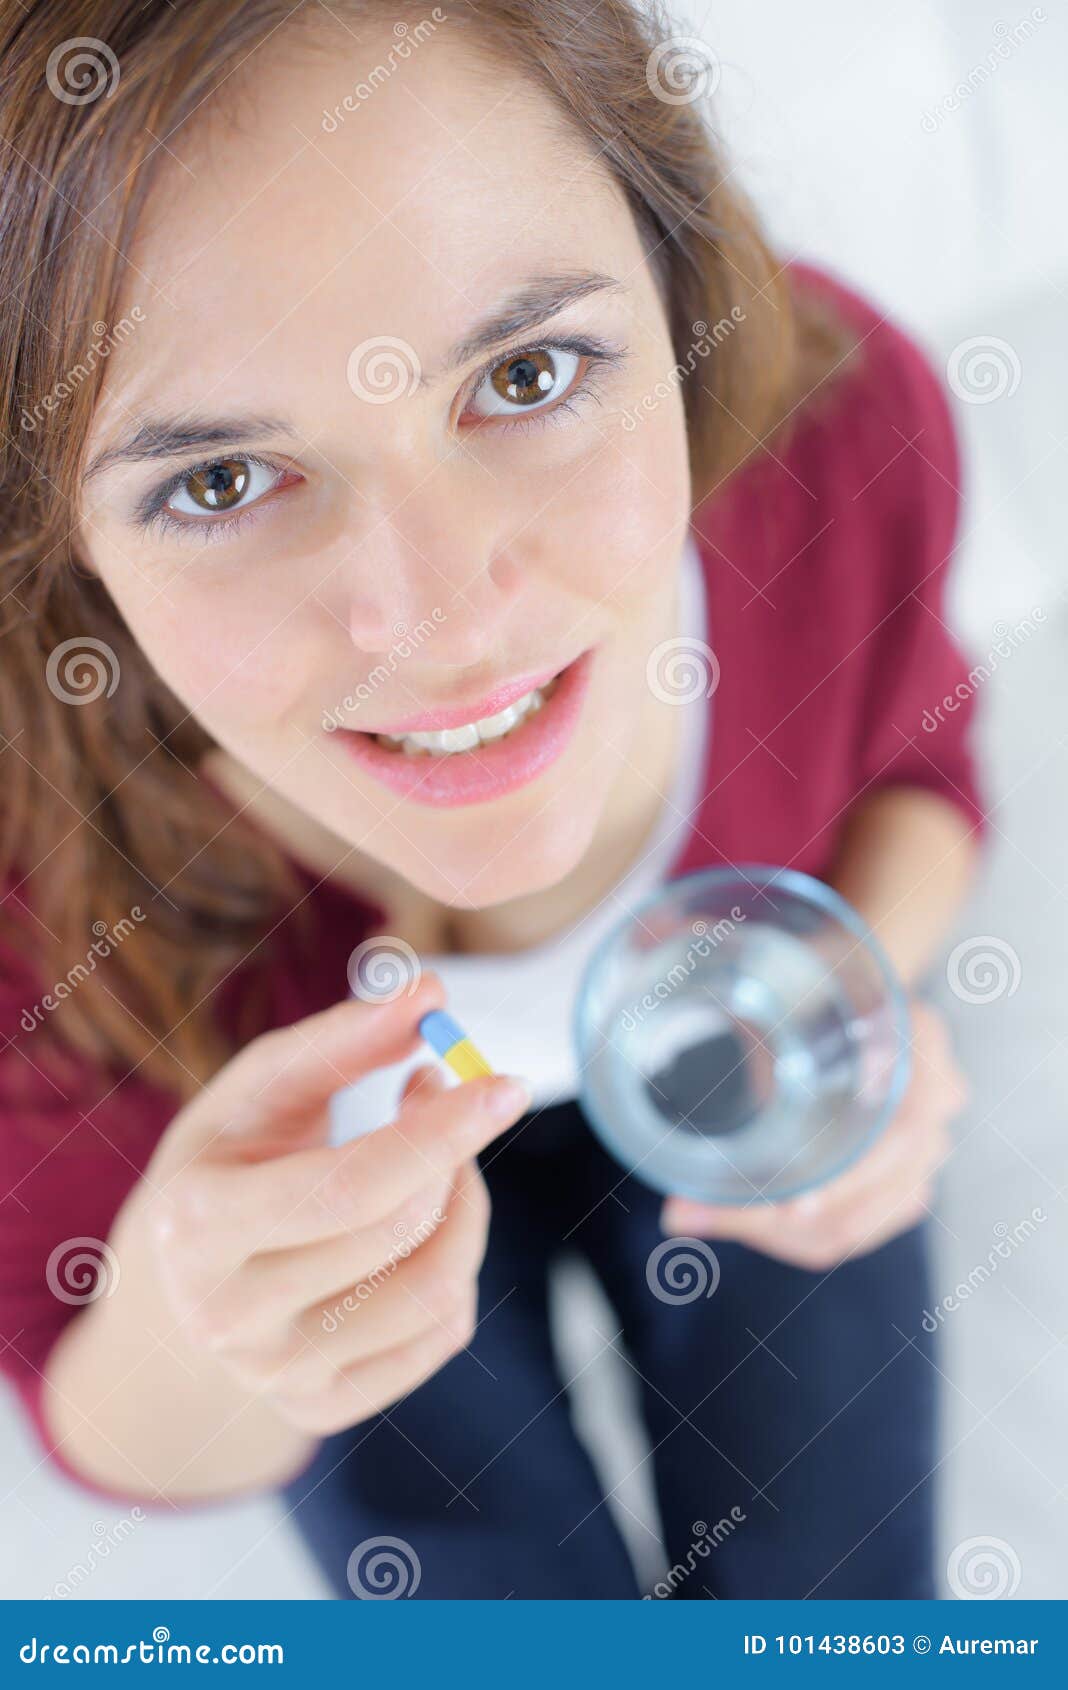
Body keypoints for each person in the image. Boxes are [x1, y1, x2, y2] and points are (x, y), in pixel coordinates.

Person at [0, 0, 982, 1599]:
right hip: (332, 1187)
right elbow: (100, 1394)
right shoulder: (35, 868)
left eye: (527, 373)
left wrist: (857, 983)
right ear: (56, 535)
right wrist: (206, 1314)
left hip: (723, 1055)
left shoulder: (840, 436)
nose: (441, 622)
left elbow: (921, 770)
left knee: (844, 1597)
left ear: (676, 294)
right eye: (220, 481)